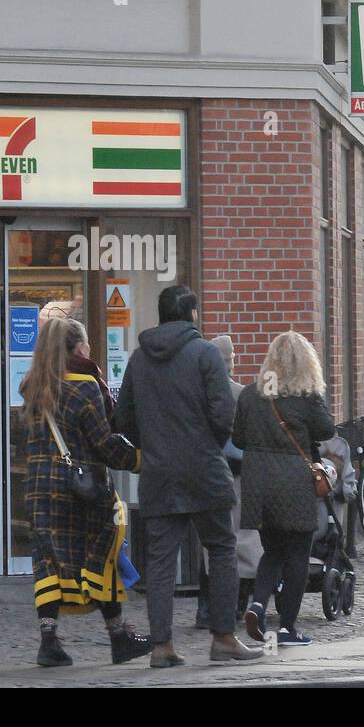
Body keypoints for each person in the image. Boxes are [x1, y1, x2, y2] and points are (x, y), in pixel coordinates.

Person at [114, 286, 263, 667]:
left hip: (158, 473)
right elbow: (223, 416)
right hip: (204, 470)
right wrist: (205, 445)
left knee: (161, 561)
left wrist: (155, 446)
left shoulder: (138, 359)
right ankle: (223, 638)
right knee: (223, 548)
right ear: (192, 315)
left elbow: (124, 420)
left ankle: (161, 647)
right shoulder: (205, 354)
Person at [21, 317, 150, 668]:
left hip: (39, 489)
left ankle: (49, 641)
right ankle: (119, 636)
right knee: (101, 556)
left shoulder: (32, 386)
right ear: (80, 348)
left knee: (48, 562)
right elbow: (105, 443)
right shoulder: (86, 386)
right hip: (81, 491)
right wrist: (142, 461)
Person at [234, 331, 336, 648]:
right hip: (293, 482)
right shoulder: (306, 397)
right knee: (297, 556)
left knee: (272, 551)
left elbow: (238, 439)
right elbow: (327, 430)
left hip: (257, 483)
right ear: (307, 363)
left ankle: (258, 605)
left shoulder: (251, 394)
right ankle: (288, 628)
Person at [193, 335, 263, 627]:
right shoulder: (242, 393)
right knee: (243, 541)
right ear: (231, 361)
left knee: (211, 544)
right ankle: (236, 604)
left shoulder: (198, 393)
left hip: (206, 474)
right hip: (237, 475)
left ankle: (205, 609)